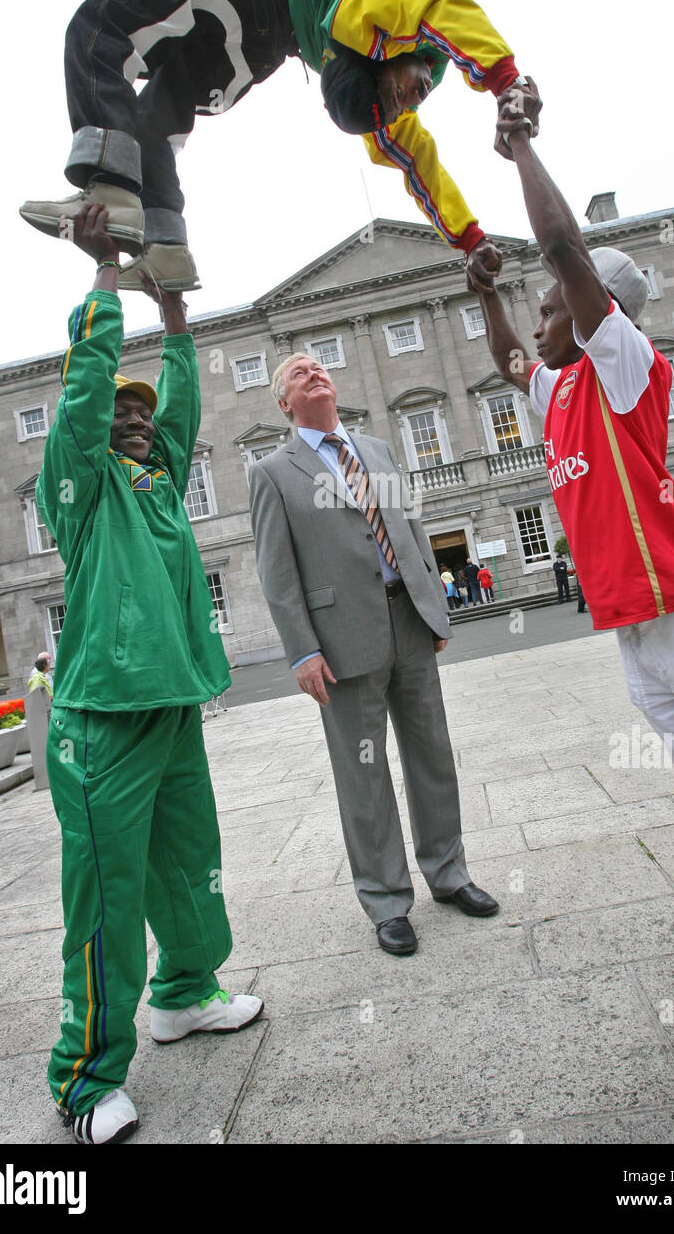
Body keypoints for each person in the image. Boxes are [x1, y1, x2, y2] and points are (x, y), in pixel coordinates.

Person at [470, 78, 674, 1006]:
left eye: (548, 306)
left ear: (592, 310)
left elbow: (565, 247)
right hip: (639, 634)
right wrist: (489, 294)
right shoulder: (558, 392)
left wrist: (520, 150)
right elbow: (504, 364)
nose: (540, 322)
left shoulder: (624, 368)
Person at [36, 205, 262, 1145]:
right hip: (99, 721)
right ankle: (84, 1082)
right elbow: (89, 396)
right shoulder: (79, 488)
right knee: (106, 896)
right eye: (120, 413)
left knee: (187, 864)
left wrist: (173, 318)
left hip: (170, 708)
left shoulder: (159, 479)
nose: (134, 419)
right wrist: (102, 280)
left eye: (143, 411)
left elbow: (185, 410)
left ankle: (182, 993)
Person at [19, 0, 522, 292]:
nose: (408, 103)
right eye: (396, 97)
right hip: (253, 35)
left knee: (102, 23)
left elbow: (416, 165)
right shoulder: (367, 0)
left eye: (397, 106)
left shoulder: (367, 73)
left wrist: (469, 238)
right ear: (375, 59)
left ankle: (112, 190)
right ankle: (166, 244)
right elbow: (440, 4)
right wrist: (505, 85)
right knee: (155, 118)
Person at [248, 354, 498, 955]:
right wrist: (302, 651)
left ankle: (450, 873)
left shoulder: (377, 450)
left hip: (408, 619)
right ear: (285, 403)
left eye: (318, 366)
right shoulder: (274, 472)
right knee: (363, 773)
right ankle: (387, 900)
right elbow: (276, 575)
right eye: (297, 373)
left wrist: (434, 607)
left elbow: (410, 529)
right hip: (341, 642)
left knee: (432, 754)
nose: (313, 373)